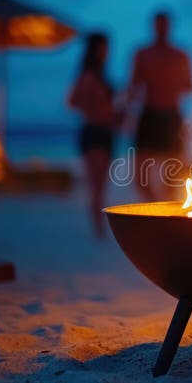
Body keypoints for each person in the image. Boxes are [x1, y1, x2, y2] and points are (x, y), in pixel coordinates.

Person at [125, 12, 192, 201]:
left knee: (172, 176)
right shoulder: (142, 54)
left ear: (170, 26)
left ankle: (165, 215)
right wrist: (124, 113)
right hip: (149, 115)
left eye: (165, 24)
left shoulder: (179, 55)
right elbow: (133, 86)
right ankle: (155, 208)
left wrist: (170, 81)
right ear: (154, 26)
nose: (162, 29)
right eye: (159, 25)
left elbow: (190, 85)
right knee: (140, 177)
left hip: (171, 116)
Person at [68, 33, 117, 237]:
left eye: (106, 47)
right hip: (94, 131)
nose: (106, 52)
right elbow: (72, 101)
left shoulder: (101, 74)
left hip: (105, 132)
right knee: (96, 186)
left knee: (101, 185)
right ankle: (98, 228)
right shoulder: (88, 75)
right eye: (102, 47)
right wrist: (93, 107)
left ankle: (98, 227)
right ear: (94, 49)